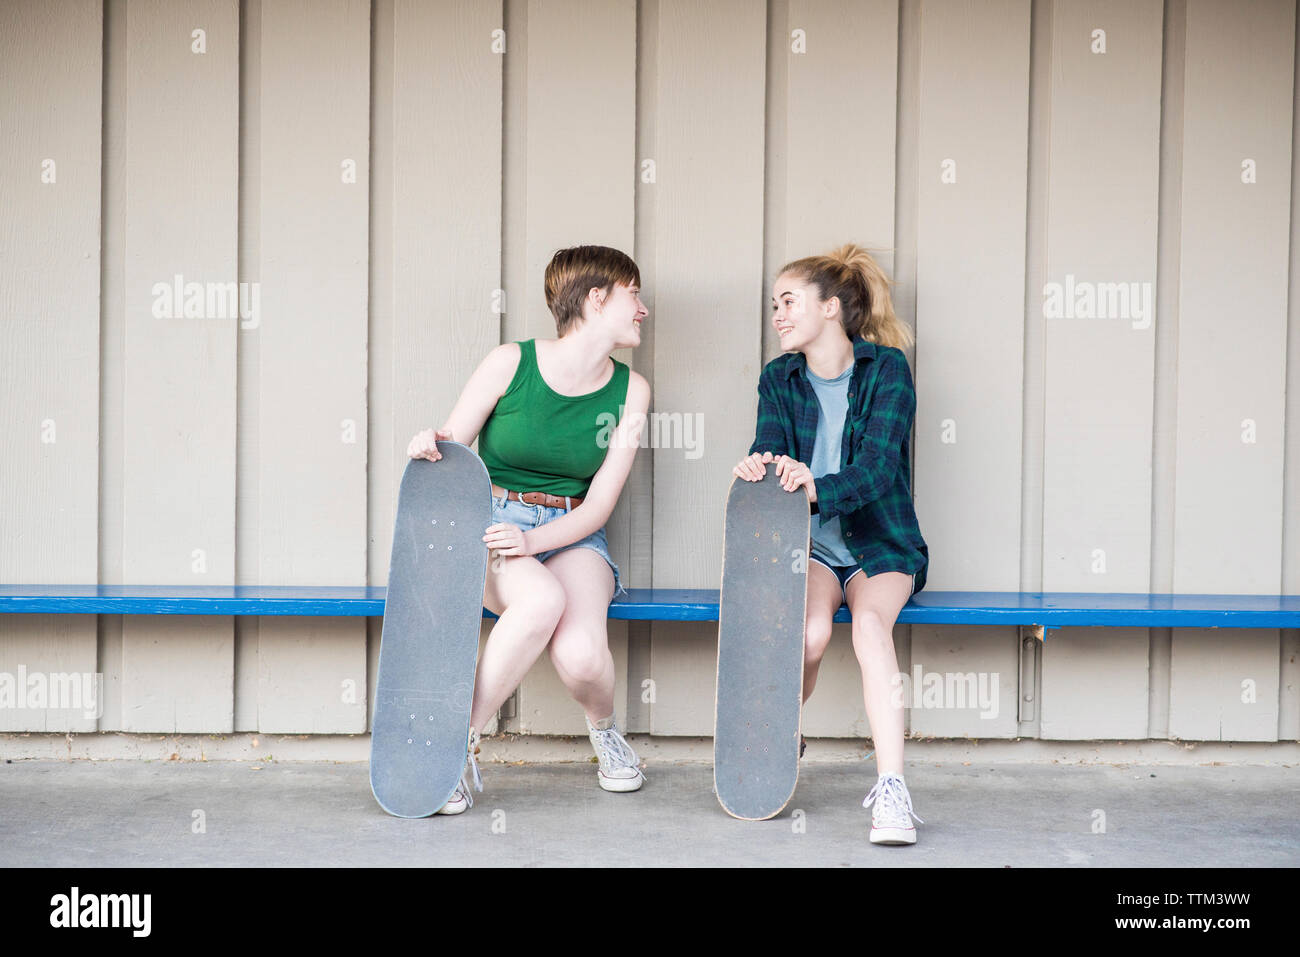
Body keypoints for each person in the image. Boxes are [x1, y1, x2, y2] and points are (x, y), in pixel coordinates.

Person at [407, 245, 651, 814]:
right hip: (494, 523)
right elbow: (451, 447)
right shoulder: (509, 364)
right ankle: (453, 748)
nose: (642, 309)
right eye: (633, 294)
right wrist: (427, 444)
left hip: (571, 530)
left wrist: (539, 540)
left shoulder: (631, 391)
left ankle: (605, 732)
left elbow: (598, 505)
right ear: (598, 298)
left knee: (584, 656)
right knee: (539, 601)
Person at [732, 243, 930, 844]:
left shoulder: (886, 370)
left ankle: (892, 790)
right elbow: (771, 451)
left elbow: (874, 470)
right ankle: (778, 742)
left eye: (788, 302)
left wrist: (811, 486)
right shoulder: (779, 378)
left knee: (871, 630)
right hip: (811, 545)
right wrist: (759, 470)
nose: (778, 316)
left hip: (881, 544)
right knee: (810, 634)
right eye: (774, 305)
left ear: (832, 308)